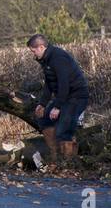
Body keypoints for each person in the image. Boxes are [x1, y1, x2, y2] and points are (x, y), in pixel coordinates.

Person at [26, 34, 89, 163]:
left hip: (77, 96)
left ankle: (69, 164)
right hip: (65, 96)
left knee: (63, 130)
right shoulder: (46, 60)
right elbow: (49, 84)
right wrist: (42, 104)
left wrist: (57, 107)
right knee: (44, 118)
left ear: (41, 47)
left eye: (33, 51)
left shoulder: (58, 58)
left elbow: (64, 84)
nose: (33, 54)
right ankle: (55, 157)